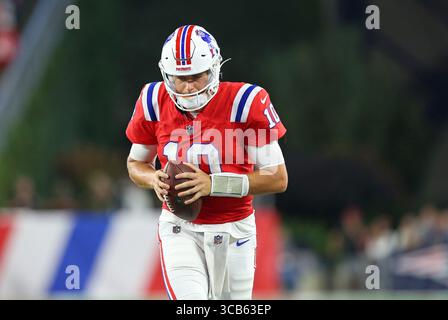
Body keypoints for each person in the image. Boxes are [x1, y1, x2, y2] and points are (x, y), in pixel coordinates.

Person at [126, 25, 288, 300]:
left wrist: (212, 184)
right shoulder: (153, 100)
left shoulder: (246, 102)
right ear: (167, 75)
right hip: (181, 227)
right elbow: (135, 163)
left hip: (235, 228)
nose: (188, 86)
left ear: (214, 69)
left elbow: (277, 178)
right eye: (180, 78)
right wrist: (153, 178)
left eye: (196, 76)